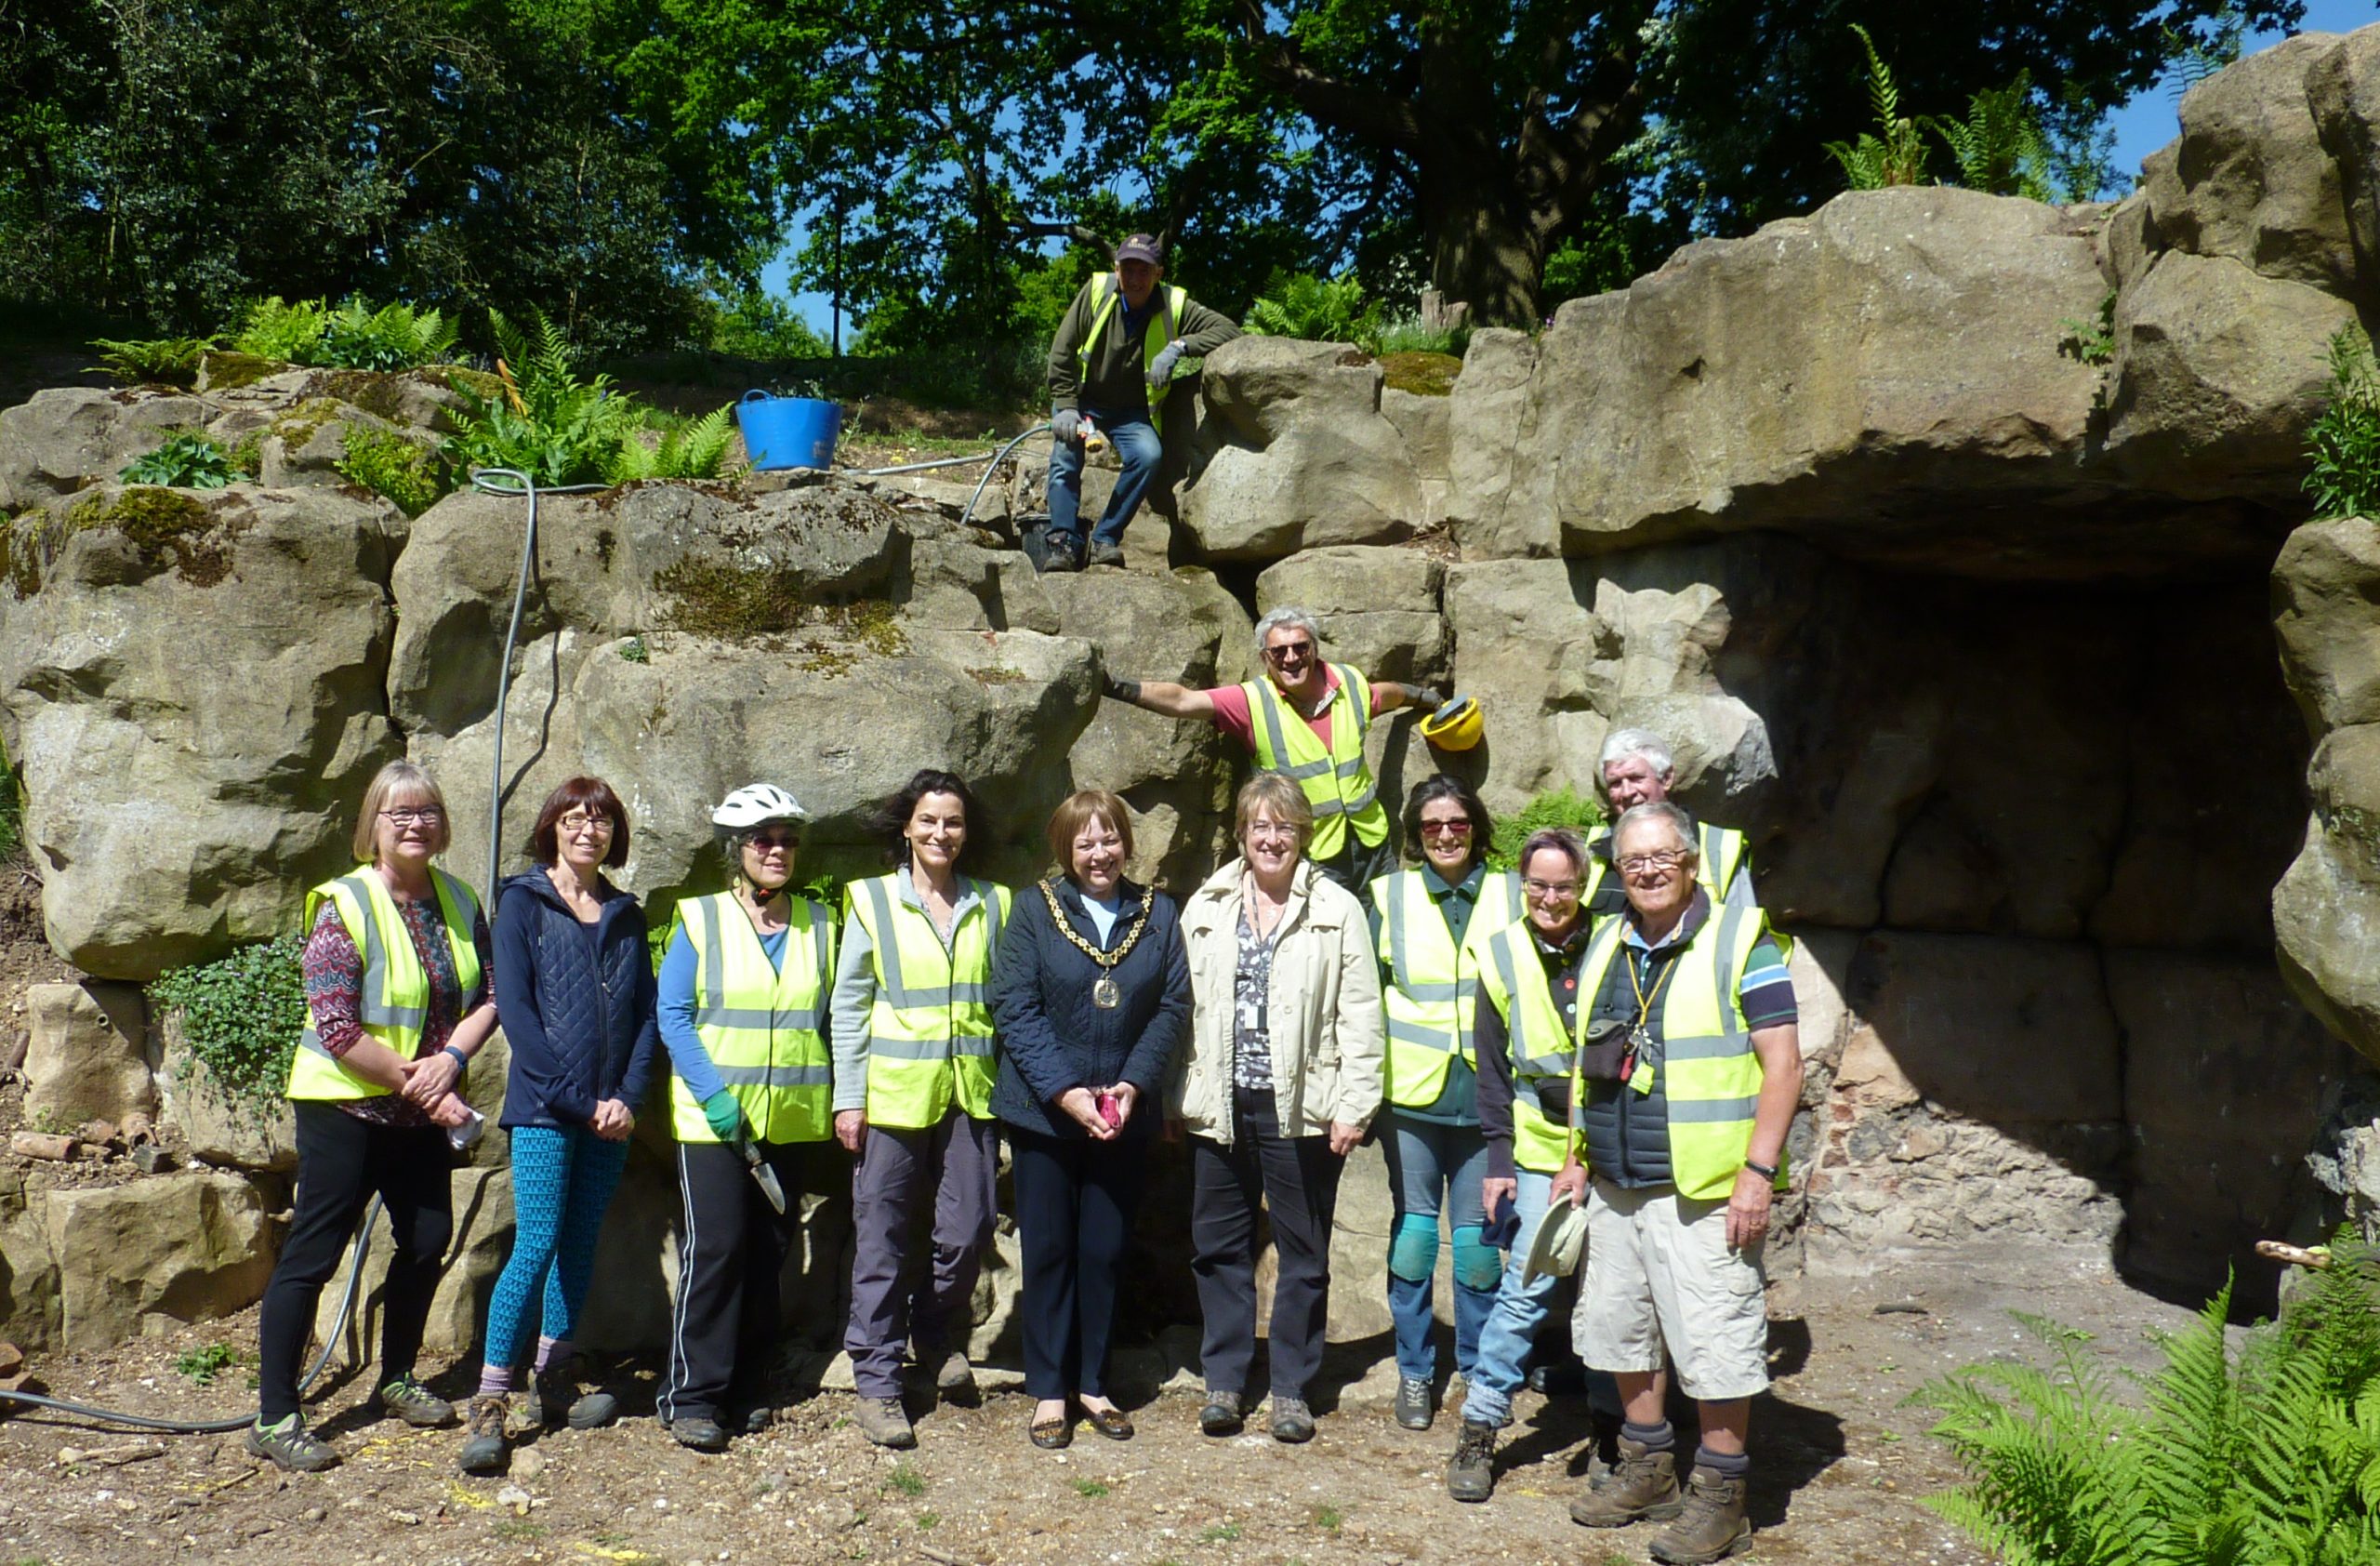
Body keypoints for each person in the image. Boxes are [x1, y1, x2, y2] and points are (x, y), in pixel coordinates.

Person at [1560, 800, 1800, 1564]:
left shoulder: (1743, 942)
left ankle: (1722, 1499)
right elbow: (1587, 1065)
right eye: (1634, 861)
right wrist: (1575, 1152)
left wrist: (1758, 1174)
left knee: (1715, 1340)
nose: (1649, 871)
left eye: (1663, 857)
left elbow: (1784, 1066)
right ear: (1619, 872)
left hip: (1706, 1187)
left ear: (1692, 862)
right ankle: (1648, 1467)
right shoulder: (1606, 944)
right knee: (1620, 1330)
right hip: (1615, 1181)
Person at [249, 760, 492, 1472]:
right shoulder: (343, 904)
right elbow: (336, 1026)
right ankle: (274, 1416)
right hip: (344, 1109)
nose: (415, 825)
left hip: (420, 1115)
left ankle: (395, 1378)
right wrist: (428, 1084)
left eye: (427, 813)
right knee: (313, 1257)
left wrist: (450, 1060)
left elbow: (493, 994)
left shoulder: (459, 897)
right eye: (400, 814)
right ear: (372, 827)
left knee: (426, 1241)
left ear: (443, 825)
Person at [1175, 772, 1384, 1444]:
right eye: (1260, 826)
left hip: (1305, 1107)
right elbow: (1181, 1012)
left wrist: (1355, 1103)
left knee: (1304, 1252)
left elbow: (1361, 1014)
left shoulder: (1336, 907)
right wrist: (1176, 1097)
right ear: (1241, 832)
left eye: (1285, 826)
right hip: (1220, 1103)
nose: (1272, 838)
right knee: (1218, 1247)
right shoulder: (1205, 905)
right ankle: (1226, 1382)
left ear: (1303, 834)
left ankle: (1292, 1386)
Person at [459, 777, 658, 1474]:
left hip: (612, 1115)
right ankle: (490, 1399)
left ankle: (554, 1375)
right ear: (552, 828)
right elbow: (515, 1009)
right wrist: (580, 1102)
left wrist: (628, 1097)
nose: (587, 831)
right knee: (537, 1242)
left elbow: (646, 1016)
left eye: (601, 821)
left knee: (580, 1242)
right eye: (574, 819)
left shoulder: (626, 914)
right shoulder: (521, 902)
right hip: (547, 1111)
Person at [990, 790, 1190, 1450]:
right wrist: (1067, 1092)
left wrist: (1134, 1083)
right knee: (1048, 1251)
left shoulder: (1157, 914)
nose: (1099, 853)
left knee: (1103, 1252)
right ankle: (1049, 1390)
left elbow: (1172, 1006)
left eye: (1109, 839)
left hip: (1122, 1115)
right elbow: (1014, 1007)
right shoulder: (1032, 910)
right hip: (1046, 1115)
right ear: (1065, 850)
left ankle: (1093, 1384)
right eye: (1085, 842)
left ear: (1126, 843)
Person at [654, 783, 837, 1453]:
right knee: (718, 1250)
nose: (778, 851)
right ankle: (691, 1396)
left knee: (768, 1255)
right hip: (714, 1123)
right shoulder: (700, 919)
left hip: (788, 1120)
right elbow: (672, 1014)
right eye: (764, 840)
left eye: (788, 840)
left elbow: (827, 1018)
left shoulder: (820, 922)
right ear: (737, 850)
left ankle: (745, 1386)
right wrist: (714, 1097)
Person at [833, 768, 1012, 1450]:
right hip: (892, 1097)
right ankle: (877, 1381)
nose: (942, 833)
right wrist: (849, 1098)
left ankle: (936, 1337)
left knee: (967, 1233)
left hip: (971, 1095)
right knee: (880, 1236)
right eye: (930, 821)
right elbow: (848, 1005)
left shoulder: (994, 903)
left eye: (954, 822)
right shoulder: (872, 902)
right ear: (906, 827)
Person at [1443, 825, 1598, 1502]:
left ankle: (1619, 1434)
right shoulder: (1501, 953)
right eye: (1538, 884)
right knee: (1528, 1286)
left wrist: (1590, 1156)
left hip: (1612, 1143)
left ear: (1583, 885)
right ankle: (1479, 1432)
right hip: (1537, 1143)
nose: (1550, 897)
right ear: (1522, 884)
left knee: (1617, 1293)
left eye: (1564, 885)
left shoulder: (1616, 945)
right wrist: (1499, 1161)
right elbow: (1493, 1072)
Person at [1367, 776, 1523, 1431]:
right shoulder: (1387, 895)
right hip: (1413, 1101)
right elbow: (1361, 997)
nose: (1446, 835)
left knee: (1482, 1245)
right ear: (1415, 834)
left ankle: (1481, 1371)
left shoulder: (1515, 893)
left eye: (1457, 822)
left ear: (1476, 826)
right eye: (1431, 826)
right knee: (1414, 1238)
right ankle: (1414, 1373)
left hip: (1492, 1103)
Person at [1101, 605, 1445, 893]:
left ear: (1314, 648)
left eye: (1300, 647)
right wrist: (1114, 687)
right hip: (1310, 853)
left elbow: (1385, 695)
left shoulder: (1348, 681)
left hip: (1373, 839)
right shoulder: (1252, 701)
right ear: (1265, 657)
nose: (1291, 658)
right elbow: (1182, 700)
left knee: (1384, 932)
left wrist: (1424, 697)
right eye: (1279, 651)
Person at [1041, 232, 1240, 570]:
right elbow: (1061, 352)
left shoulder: (1173, 304)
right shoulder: (1096, 293)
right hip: (1085, 401)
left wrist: (1179, 347)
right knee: (1064, 454)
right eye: (1128, 269)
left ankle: (1105, 537)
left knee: (1149, 456)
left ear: (1158, 273)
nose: (1135, 279)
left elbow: (1229, 331)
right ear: (1116, 269)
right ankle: (1063, 542)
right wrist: (1066, 404)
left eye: (1143, 271)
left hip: (1132, 412)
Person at [1584, 729, 1757, 918]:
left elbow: (1744, 928)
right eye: (1615, 783)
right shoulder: (1593, 849)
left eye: (1636, 778)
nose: (1626, 792)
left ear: (1666, 779)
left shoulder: (1720, 847)